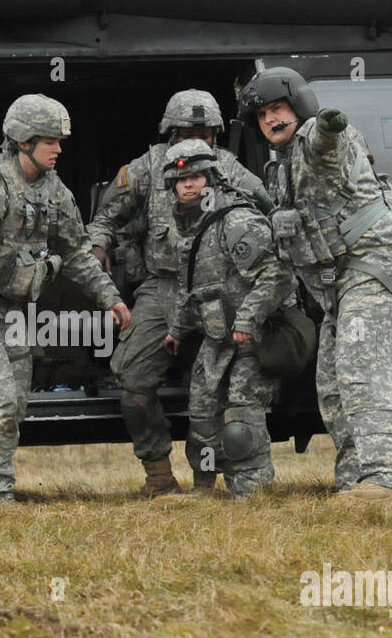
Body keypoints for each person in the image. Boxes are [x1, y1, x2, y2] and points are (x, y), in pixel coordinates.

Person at [0, 95, 131, 506]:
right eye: (50, 140)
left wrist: (111, 298)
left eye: (59, 141)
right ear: (23, 141)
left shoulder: (54, 190)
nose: (59, 149)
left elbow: (75, 251)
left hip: (7, 302)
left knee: (12, 404)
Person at [237, 66, 392, 501]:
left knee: (361, 372)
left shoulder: (314, 140)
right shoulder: (279, 170)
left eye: (278, 108)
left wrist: (327, 125)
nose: (272, 119)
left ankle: (381, 482)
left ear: (299, 106)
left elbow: (328, 142)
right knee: (333, 384)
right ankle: (366, 483)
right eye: (263, 114)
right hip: (341, 284)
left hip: (375, 265)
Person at [87, 90, 268, 496]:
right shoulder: (147, 167)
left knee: (216, 389)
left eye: (204, 132)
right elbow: (105, 218)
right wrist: (98, 247)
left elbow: (266, 205)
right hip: (163, 286)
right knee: (133, 381)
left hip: (216, 289)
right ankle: (159, 477)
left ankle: (206, 480)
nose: (196, 139)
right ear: (170, 132)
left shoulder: (227, 168)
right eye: (187, 130)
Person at [161, 139, 281, 499]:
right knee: (202, 417)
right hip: (215, 341)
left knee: (241, 421)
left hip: (251, 341)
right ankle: (205, 489)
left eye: (196, 176)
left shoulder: (235, 219)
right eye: (180, 180)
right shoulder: (190, 225)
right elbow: (192, 286)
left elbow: (276, 274)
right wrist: (179, 329)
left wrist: (247, 320)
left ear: (212, 178)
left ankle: (250, 493)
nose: (188, 185)